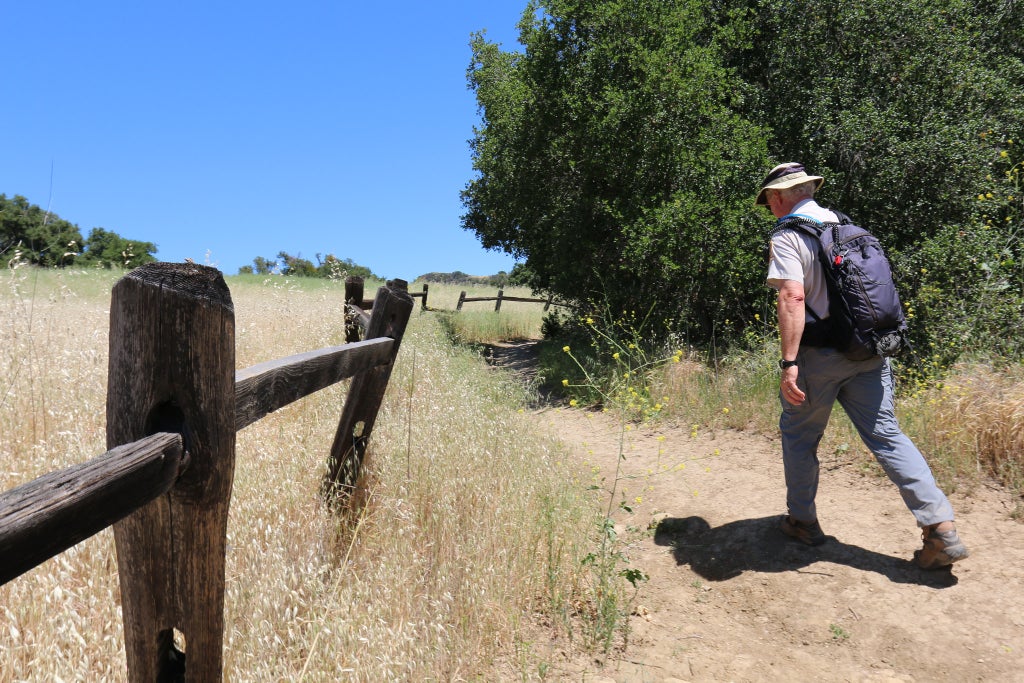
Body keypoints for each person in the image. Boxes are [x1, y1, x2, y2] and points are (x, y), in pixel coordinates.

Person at [757, 162, 969, 570]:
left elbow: (792, 298)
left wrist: (788, 363)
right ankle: (941, 527)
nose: (768, 206)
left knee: (800, 437)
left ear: (781, 196)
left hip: (820, 357)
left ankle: (802, 521)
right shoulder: (847, 226)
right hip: (871, 350)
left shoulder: (788, 236)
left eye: (768, 199)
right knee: (887, 436)